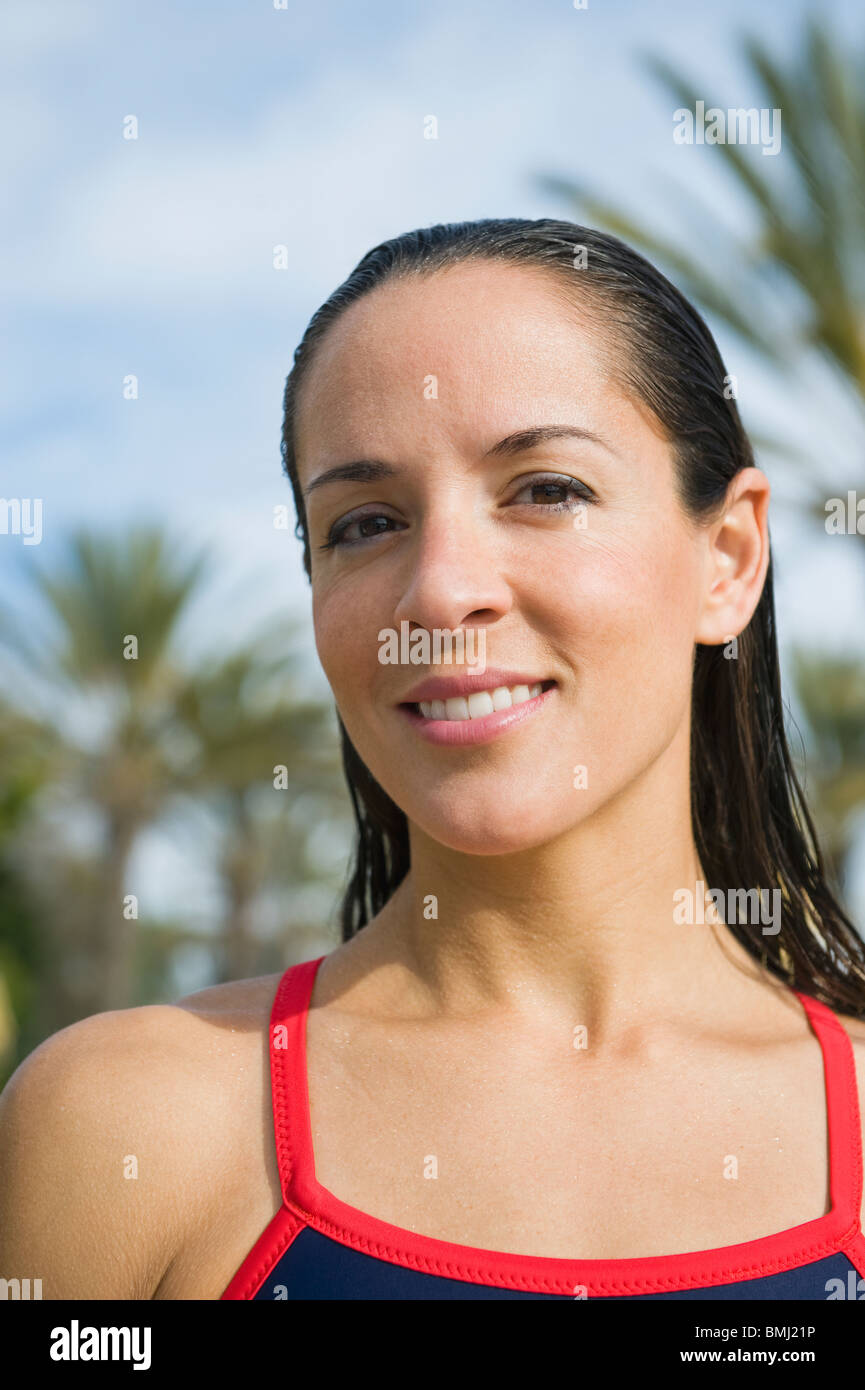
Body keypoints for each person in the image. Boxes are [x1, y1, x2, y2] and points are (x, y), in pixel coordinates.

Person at [2, 219, 864, 1300]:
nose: (441, 590)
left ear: (726, 558)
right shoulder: (125, 1123)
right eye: (365, 523)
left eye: (545, 489)